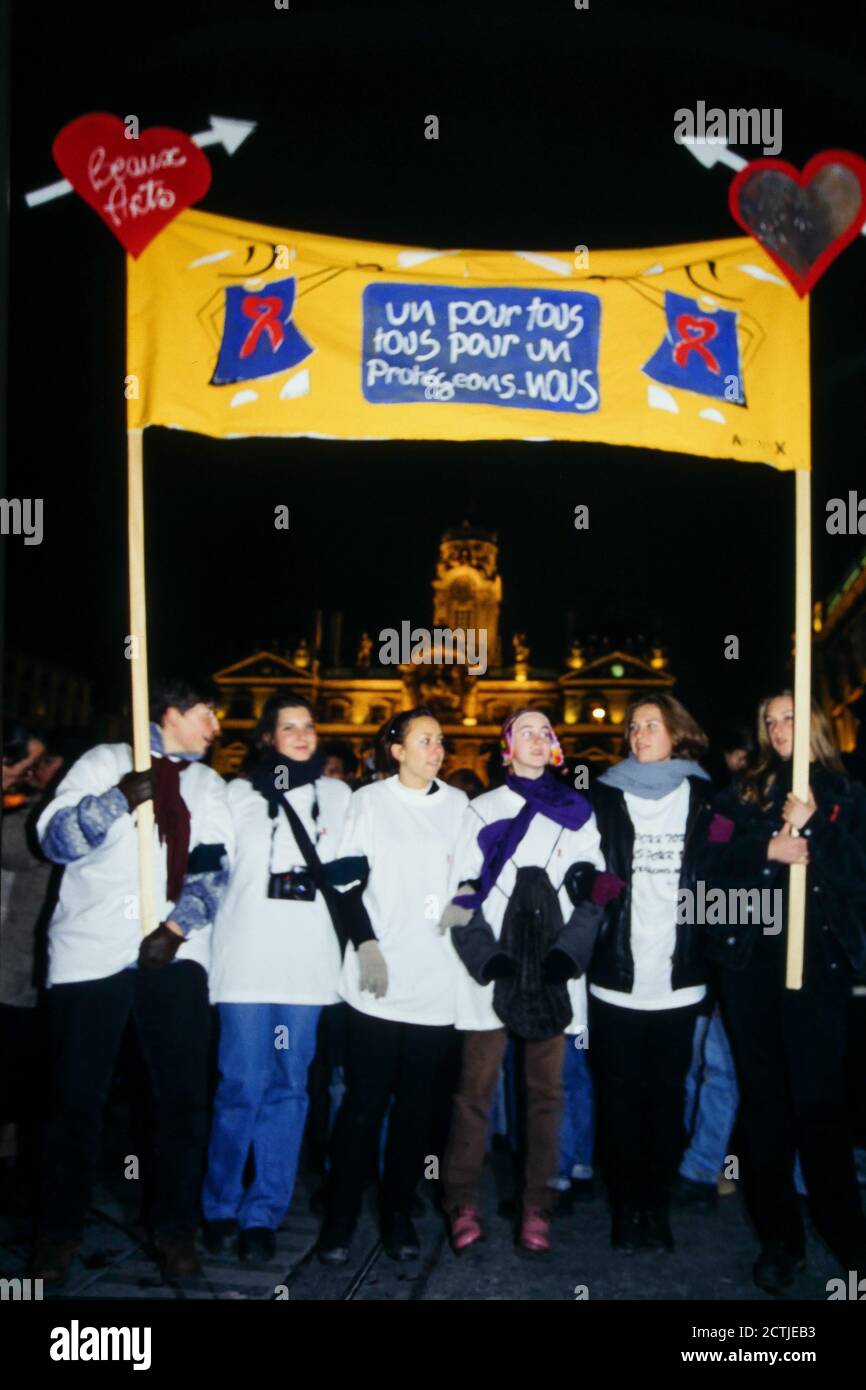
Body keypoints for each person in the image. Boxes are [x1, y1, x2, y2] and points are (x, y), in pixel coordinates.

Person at [31, 676, 233, 1284]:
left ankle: (174, 1231)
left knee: (181, 1101)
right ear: (169, 713)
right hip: (89, 953)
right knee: (74, 1099)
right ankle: (57, 1233)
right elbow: (55, 841)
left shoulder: (209, 784)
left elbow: (214, 869)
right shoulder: (104, 763)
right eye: (206, 715)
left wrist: (174, 929)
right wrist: (116, 799)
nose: (216, 727)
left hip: (170, 957)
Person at [698, 689, 866, 1295]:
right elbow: (704, 866)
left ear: (814, 723)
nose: (776, 727)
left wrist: (816, 827)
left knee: (820, 1104)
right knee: (765, 1103)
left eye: (789, 715)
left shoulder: (847, 796)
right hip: (752, 971)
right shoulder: (735, 796)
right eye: (768, 718)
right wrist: (765, 849)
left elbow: (859, 875)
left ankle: (845, 1230)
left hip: (818, 972)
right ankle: (779, 1237)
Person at [440, 707, 610, 1255]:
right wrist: (485, 958)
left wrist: (571, 952)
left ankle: (538, 1204)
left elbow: (600, 888)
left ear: (555, 748)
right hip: (494, 971)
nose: (537, 740)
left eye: (546, 732)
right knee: (475, 1091)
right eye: (525, 733)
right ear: (506, 748)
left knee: (546, 1094)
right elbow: (460, 893)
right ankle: (461, 1199)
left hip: (556, 969)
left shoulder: (579, 812)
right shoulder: (481, 809)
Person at [201, 692, 351, 1262]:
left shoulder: (335, 795)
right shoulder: (236, 794)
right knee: (240, 1085)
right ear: (267, 737)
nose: (302, 735)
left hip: (307, 970)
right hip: (244, 966)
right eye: (289, 727)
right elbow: (208, 871)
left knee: (290, 1087)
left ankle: (264, 1212)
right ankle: (218, 1205)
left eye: (309, 726)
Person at [316, 708, 467, 1265]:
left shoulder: (457, 806)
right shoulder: (368, 802)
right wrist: (366, 944)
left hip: (435, 981)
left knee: (416, 1109)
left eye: (441, 741)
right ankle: (340, 1215)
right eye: (425, 740)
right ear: (396, 750)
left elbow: (476, 873)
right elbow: (347, 879)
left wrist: (463, 901)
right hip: (376, 978)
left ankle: (398, 1210)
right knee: (363, 1103)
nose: (437, 749)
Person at [588, 695, 714, 1253]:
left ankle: (655, 1207)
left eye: (652, 724)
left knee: (666, 1100)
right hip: (616, 974)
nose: (640, 733)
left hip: (679, 978)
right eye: (634, 726)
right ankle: (624, 1207)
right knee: (617, 1099)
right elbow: (579, 866)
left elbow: (724, 877)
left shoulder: (707, 799)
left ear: (677, 733)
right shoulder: (603, 796)